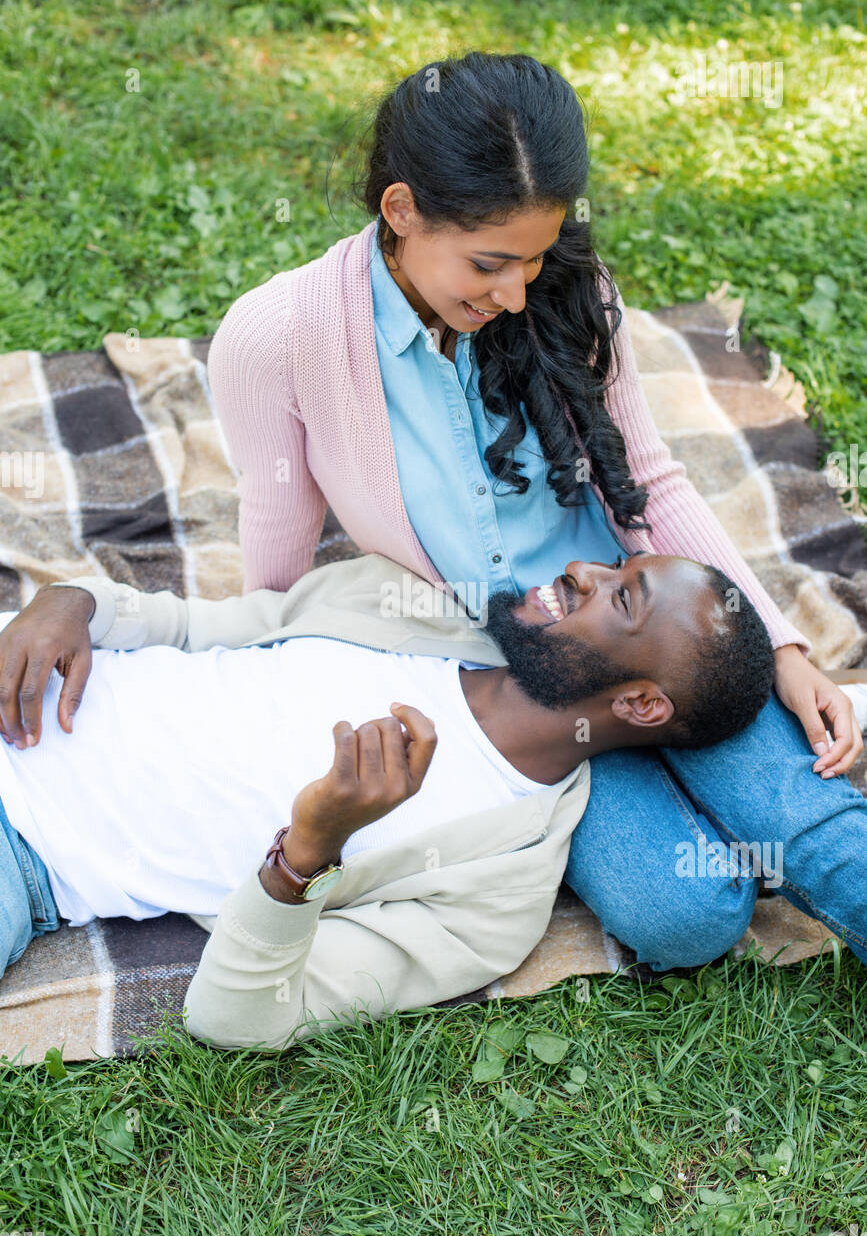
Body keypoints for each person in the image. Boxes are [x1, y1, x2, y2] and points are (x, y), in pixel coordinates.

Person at [2, 50, 865, 973]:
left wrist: (773, 644)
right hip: (502, 674)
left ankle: (731, 758)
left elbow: (646, 485)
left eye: (535, 258)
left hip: (644, 620)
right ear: (401, 211)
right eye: (490, 264)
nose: (515, 294)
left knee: (804, 815)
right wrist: (271, 671)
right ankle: (671, 764)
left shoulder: (572, 300)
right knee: (683, 910)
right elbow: (279, 522)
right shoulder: (279, 335)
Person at [0, 549, 781, 1050]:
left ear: (642, 706)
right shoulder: (401, 601)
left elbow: (237, 1019)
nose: (581, 568)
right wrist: (76, 601)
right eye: (617, 564)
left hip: (24, 852)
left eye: (622, 598)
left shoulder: (494, 896)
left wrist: (307, 852)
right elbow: (193, 625)